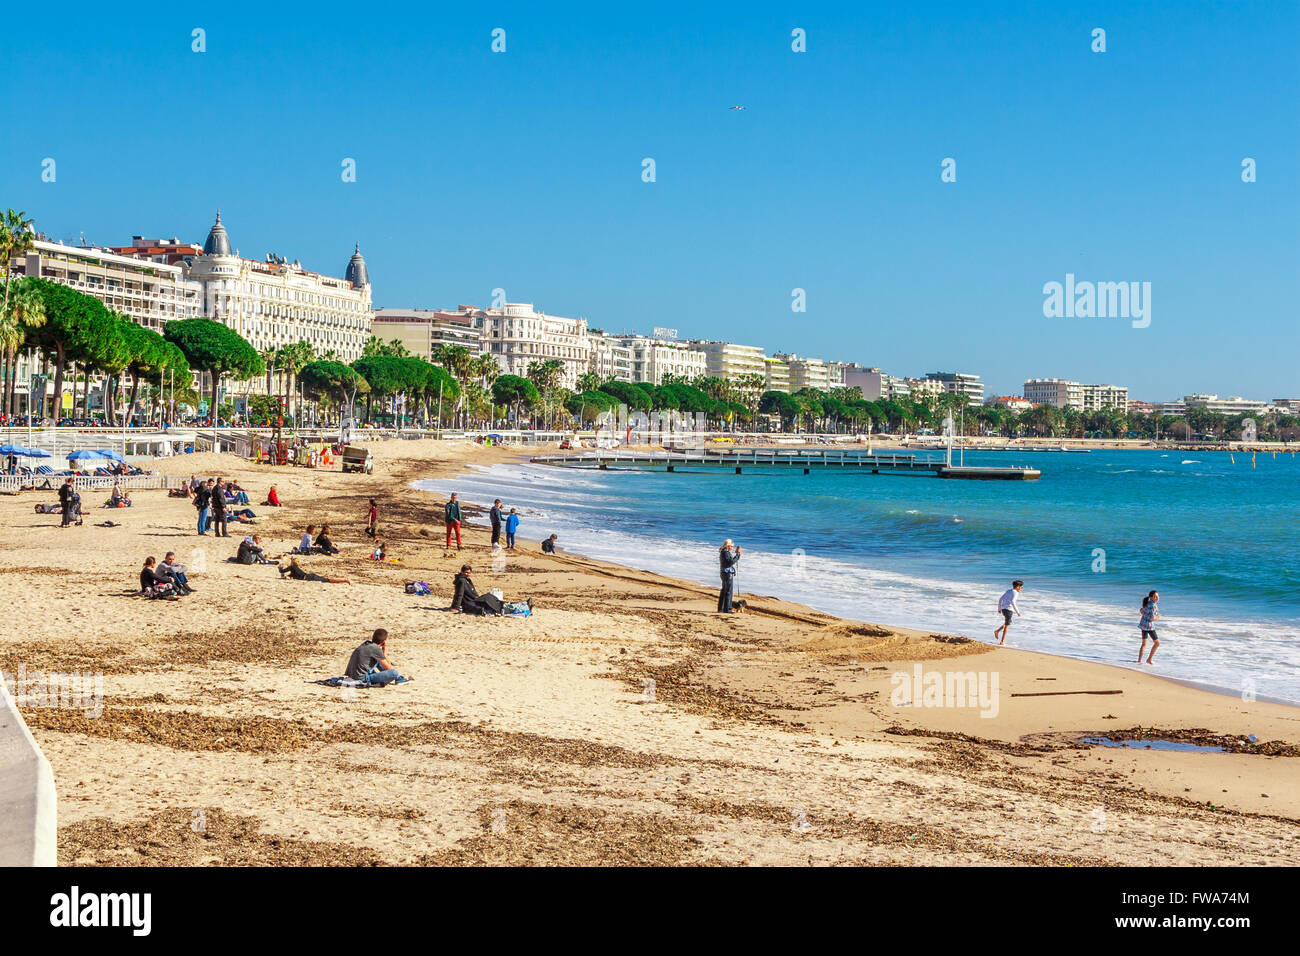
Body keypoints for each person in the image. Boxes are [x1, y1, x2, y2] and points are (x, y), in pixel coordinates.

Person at [278, 557, 349, 584]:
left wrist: (280, 567)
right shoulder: (294, 569)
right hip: (310, 576)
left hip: (309, 577)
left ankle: (345, 580)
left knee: (328, 580)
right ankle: (344, 580)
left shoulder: (292, 567)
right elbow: (288, 576)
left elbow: (282, 572)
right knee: (327, 580)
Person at [995, 580, 1024, 645]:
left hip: (1004, 609)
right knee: (1007, 626)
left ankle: (997, 631)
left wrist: (999, 608)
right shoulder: (1016, 593)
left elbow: (1000, 599)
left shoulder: (1008, 591)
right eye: (1021, 587)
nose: (1021, 589)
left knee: (1008, 623)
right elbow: (1013, 602)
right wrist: (1018, 612)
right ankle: (1002, 641)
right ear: (1018, 587)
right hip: (1009, 610)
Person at [718, 539, 741, 613]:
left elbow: (729, 562)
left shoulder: (723, 552)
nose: (732, 548)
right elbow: (731, 562)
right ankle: (727, 609)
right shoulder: (726, 553)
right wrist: (738, 554)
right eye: (731, 546)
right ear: (728, 546)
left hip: (723, 572)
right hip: (727, 573)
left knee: (724, 590)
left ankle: (721, 608)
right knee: (728, 591)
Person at [1138, 590, 1162, 664]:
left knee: (1144, 644)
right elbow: (1151, 618)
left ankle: (1139, 661)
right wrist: (1158, 616)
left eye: (1158, 596)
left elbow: (1141, 611)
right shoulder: (1153, 606)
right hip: (1149, 627)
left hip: (1143, 625)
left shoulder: (1147, 603)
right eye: (1155, 596)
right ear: (1151, 597)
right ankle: (1149, 659)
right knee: (1157, 643)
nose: (1157, 598)